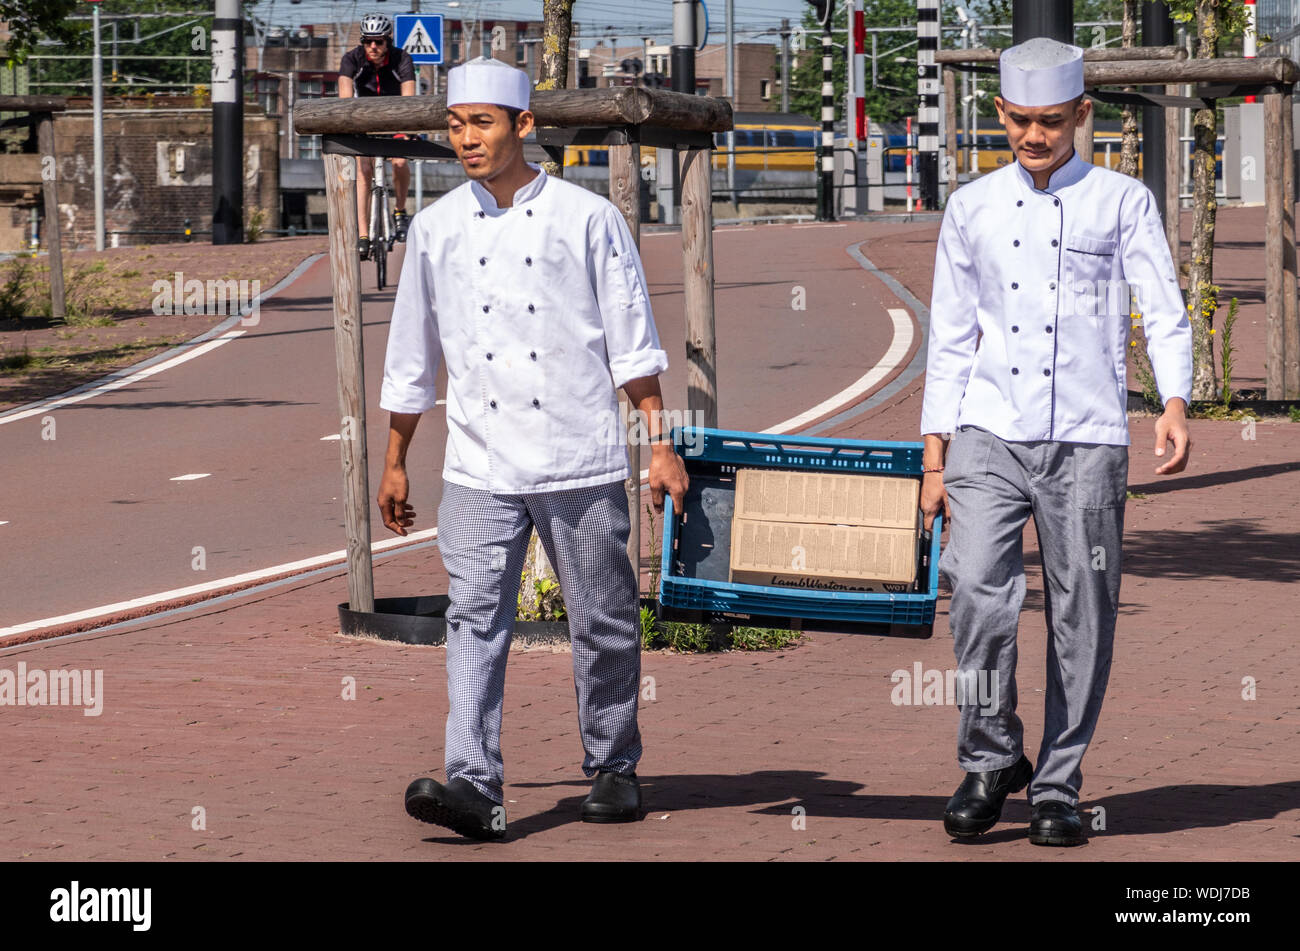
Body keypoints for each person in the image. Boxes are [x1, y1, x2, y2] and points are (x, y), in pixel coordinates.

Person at [376, 56, 690, 841]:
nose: (467, 139)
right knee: (473, 617)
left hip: (577, 454)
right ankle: (473, 781)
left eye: (482, 122)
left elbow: (633, 345)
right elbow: (413, 354)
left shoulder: (588, 220)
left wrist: (660, 444)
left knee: (604, 616)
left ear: (524, 125)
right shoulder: (436, 229)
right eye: (455, 125)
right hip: (478, 464)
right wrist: (393, 456)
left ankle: (614, 763)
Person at [919, 37, 1192, 847]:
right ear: (1000, 113)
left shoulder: (1122, 201)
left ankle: (1059, 783)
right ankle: (990, 754)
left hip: (1088, 434)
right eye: (1020, 120)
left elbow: (1163, 306)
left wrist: (1173, 401)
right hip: (987, 429)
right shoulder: (970, 206)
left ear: (1081, 114)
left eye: (1051, 121)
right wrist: (934, 456)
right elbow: (950, 337)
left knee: (1083, 614)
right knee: (974, 589)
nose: (1034, 136)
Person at [337, 12, 416, 257]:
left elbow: (410, 99)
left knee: (400, 161)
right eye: (368, 41)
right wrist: (349, 128)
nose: (373, 46)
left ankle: (400, 211)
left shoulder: (401, 59)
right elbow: (344, 99)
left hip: (396, 119)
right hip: (364, 120)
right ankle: (363, 234)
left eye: (378, 41)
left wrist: (407, 130)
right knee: (364, 171)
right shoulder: (352, 59)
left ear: (387, 41)